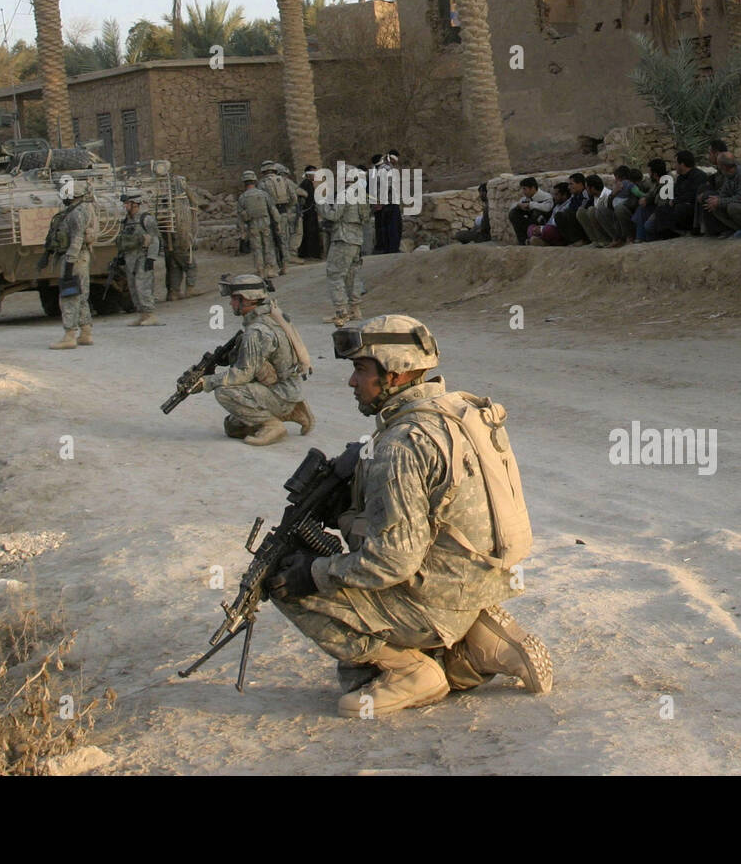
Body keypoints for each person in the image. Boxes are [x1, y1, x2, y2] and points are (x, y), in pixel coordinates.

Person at [267, 315, 552, 717]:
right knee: (360, 659)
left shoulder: (401, 444)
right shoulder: (459, 410)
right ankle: (478, 647)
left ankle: (414, 671)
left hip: (435, 596)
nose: (352, 382)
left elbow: (393, 560)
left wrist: (312, 572)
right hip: (479, 577)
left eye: (361, 370)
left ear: (396, 374)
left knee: (283, 580)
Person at [187, 273, 314, 446]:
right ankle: (294, 412)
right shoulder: (273, 315)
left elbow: (243, 374)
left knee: (224, 392)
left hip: (281, 393)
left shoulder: (257, 331)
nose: (231, 303)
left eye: (234, 299)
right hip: (287, 388)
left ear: (246, 300)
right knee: (233, 427)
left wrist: (205, 382)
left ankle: (272, 425)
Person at [48, 174, 98, 350]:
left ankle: (69, 335)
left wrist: (69, 263)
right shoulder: (83, 209)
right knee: (82, 296)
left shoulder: (77, 212)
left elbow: (76, 238)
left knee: (69, 295)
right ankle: (86, 332)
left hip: (74, 258)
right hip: (80, 257)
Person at [320, 166, 371, 326]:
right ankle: (355, 309)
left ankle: (341, 312)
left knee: (335, 274)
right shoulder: (362, 195)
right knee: (352, 275)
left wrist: (321, 204)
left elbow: (333, 215)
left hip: (343, 238)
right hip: (357, 239)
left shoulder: (344, 194)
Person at [117, 189, 164, 326]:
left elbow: (155, 239)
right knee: (133, 287)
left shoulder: (146, 219)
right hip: (129, 259)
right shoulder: (127, 220)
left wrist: (151, 258)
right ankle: (142, 315)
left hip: (142, 258)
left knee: (143, 286)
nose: (125, 206)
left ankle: (150, 314)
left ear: (134, 204)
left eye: (127, 203)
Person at [641, 151, 707, 241]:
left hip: (691, 207)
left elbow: (693, 194)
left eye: (676, 163)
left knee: (679, 208)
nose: (674, 166)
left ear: (682, 164)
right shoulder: (680, 178)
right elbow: (674, 193)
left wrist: (675, 201)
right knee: (661, 211)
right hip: (677, 205)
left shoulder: (699, 175)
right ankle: (665, 236)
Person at [237, 170, 280, 286]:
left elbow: (240, 216)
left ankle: (260, 271)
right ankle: (270, 269)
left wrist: (242, 232)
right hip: (265, 223)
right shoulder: (263, 194)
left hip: (253, 225)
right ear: (255, 181)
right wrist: (278, 224)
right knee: (268, 245)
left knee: (257, 248)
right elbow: (273, 209)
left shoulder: (242, 197)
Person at [163, 175, 202, 299]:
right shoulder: (181, 203)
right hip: (181, 241)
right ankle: (189, 289)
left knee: (175, 267)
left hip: (169, 244)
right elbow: (195, 202)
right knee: (191, 265)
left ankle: (173, 293)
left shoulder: (165, 202)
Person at [260, 161, 302, 266]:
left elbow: (262, 200)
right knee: (284, 237)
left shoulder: (262, 183)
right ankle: (285, 263)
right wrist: (287, 207)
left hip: (270, 214)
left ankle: (275, 264)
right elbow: (294, 197)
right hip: (283, 212)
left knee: (272, 240)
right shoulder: (284, 181)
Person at [693, 139, 729, 235]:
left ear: (717, 154)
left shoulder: (729, 166)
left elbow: (729, 187)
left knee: (707, 195)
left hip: (731, 198)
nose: (708, 156)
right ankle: (699, 226)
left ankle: (718, 229)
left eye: (709, 153)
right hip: (723, 195)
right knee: (702, 188)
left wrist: (709, 194)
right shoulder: (720, 168)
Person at [508, 177, 553, 246]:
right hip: (528, 223)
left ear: (533, 188)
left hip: (542, 224)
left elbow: (547, 208)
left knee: (536, 212)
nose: (523, 191)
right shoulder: (526, 198)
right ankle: (522, 241)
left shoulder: (546, 197)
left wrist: (530, 205)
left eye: (524, 189)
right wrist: (519, 205)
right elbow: (512, 207)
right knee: (513, 213)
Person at [577, 174, 614, 247]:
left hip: (611, 226)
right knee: (581, 212)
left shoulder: (607, 195)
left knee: (592, 210)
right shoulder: (595, 196)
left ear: (593, 188)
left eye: (587, 188)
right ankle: (595, 240)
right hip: (602, 224)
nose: (586, 190)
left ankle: (605, 240)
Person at [379, 151, 404, 253]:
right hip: (390, 202)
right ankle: (393, 249)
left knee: (387, 226)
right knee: (394, 226)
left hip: (386, 202)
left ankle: (388, 249)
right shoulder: (387, 169)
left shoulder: (381, 167)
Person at [297, 165, 324, 260]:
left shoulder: (309, 184)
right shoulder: (305, 184)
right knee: (310, 233)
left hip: (311, 212)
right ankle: (311, 254)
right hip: (308, 214)